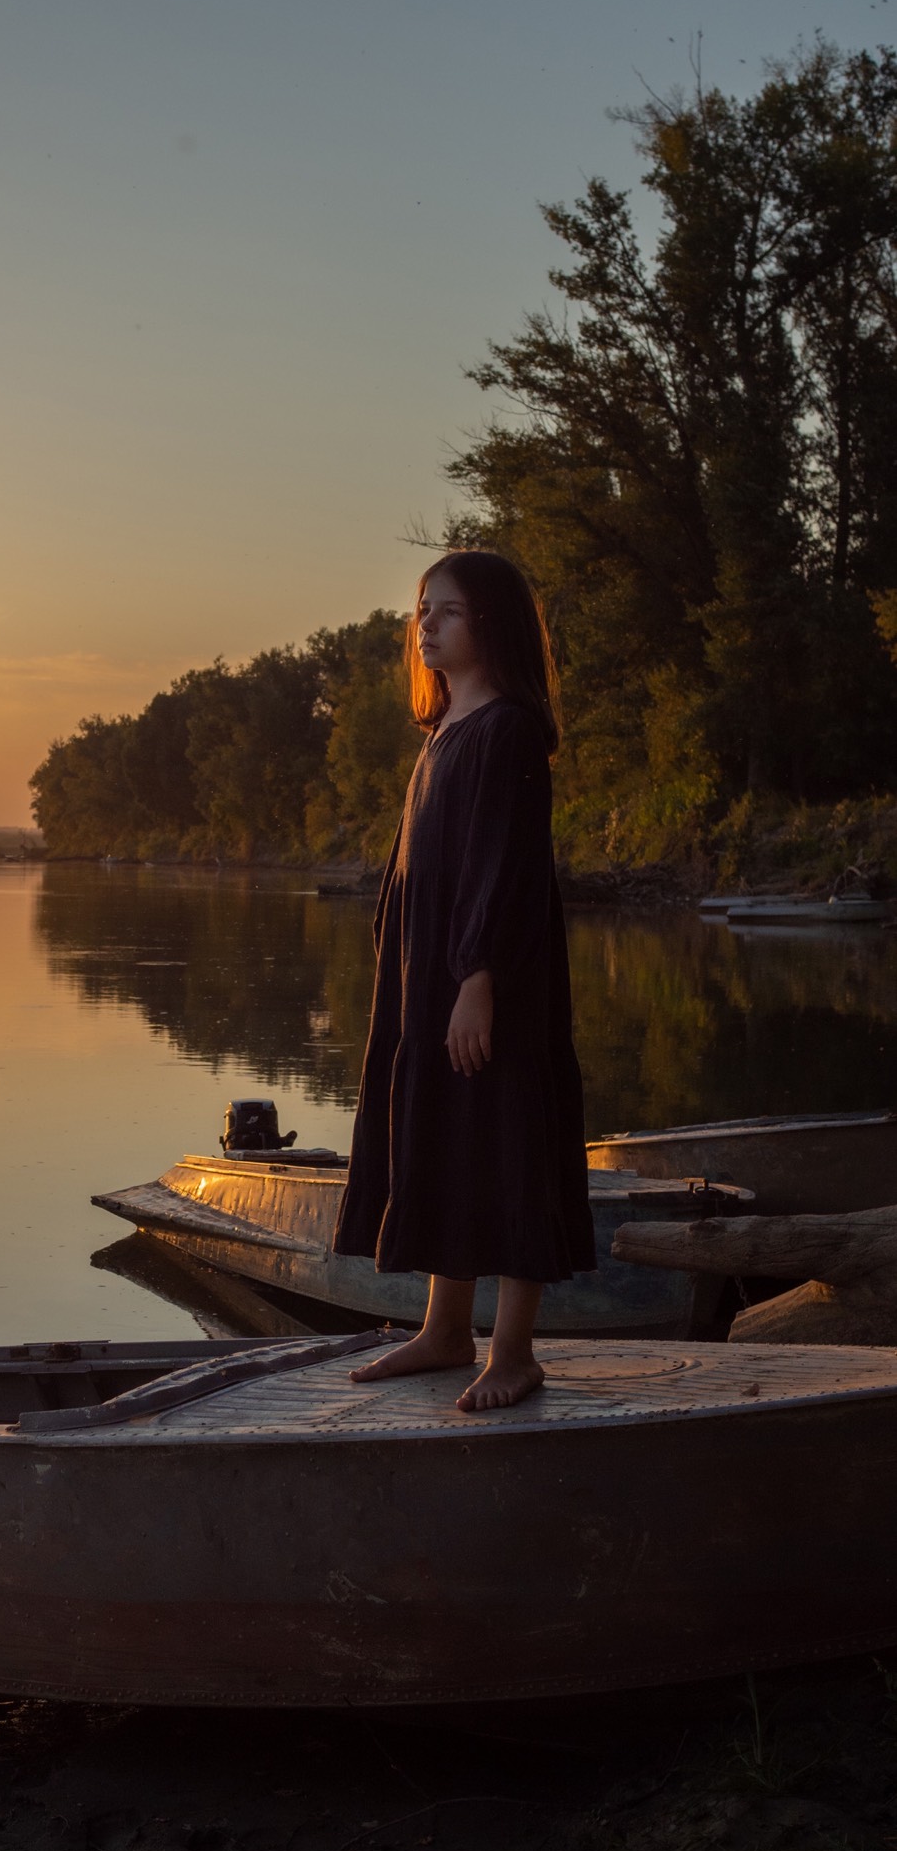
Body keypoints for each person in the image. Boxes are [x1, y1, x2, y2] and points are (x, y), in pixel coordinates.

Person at [335, 549, 593, 1411]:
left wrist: (477, 977)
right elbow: (421, 870)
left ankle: (513, 1351)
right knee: (445, 1130)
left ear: (490, 623)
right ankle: (446, 1330)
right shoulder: (443, 730)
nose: (426, 625)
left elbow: (505, 867)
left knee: (512, 1134)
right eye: (420, 611)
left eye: (445, 611)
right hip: (428, 976)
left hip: (491, 975)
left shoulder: (509, 728)